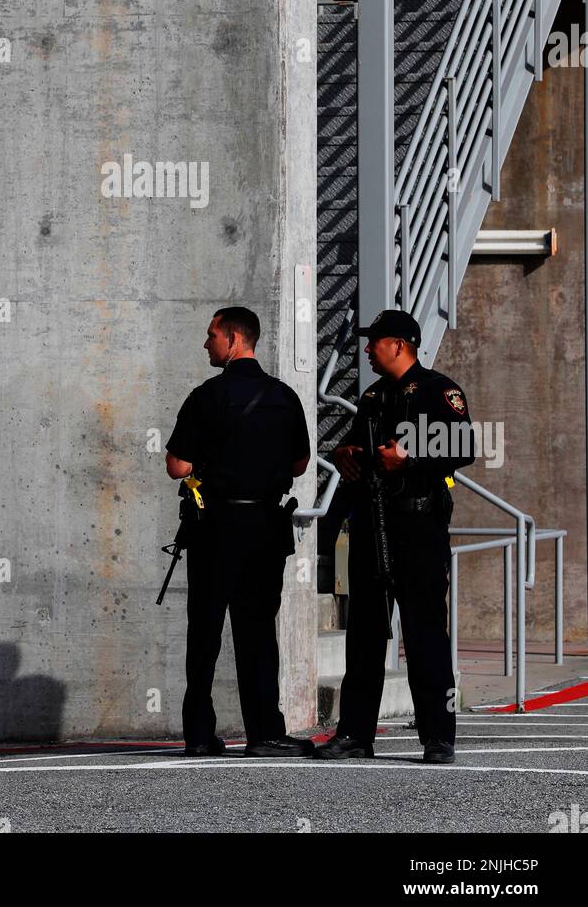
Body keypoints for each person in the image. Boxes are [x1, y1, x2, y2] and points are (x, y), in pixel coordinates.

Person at [316, 309, 475, 766]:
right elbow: (358, 449)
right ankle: (354, 735)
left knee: (425, 634)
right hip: (372, 525)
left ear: (400, 344)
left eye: (375, 342)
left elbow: (462, 447)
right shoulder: (372, 395)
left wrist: (408, 460)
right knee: (363, 636)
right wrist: (347, 452)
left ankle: (438, 737)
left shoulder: (438, 390)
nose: (367, 349)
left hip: (418, 527)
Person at [164, 305, 313, 757]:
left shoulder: (206, 396)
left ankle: (200, 736)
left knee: (204, 632)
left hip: (215, 529)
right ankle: (265, 732)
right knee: (258, 634)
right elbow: (300, 463)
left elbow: (177, 467)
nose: (205, 343)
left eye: (211, 335)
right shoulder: (285, 396)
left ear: (233, 339)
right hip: (265, 527)